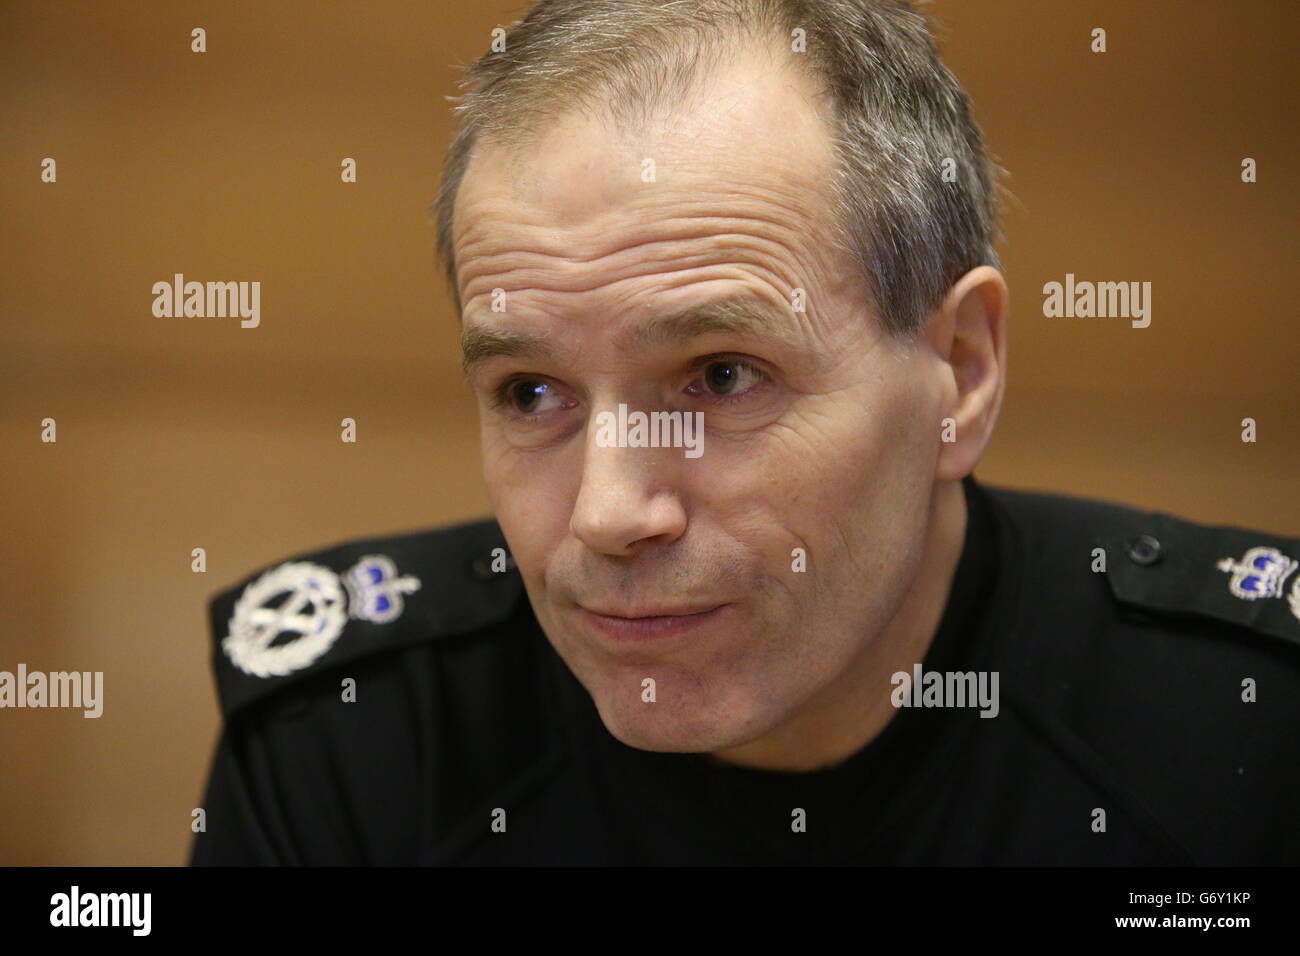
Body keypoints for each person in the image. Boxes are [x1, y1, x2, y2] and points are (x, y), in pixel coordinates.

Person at [191, 0, 1300, 865]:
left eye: (723, 376)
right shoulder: (359, 742)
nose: (610, 514)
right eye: (533, 393)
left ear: (959, 370)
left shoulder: (1246, 731)